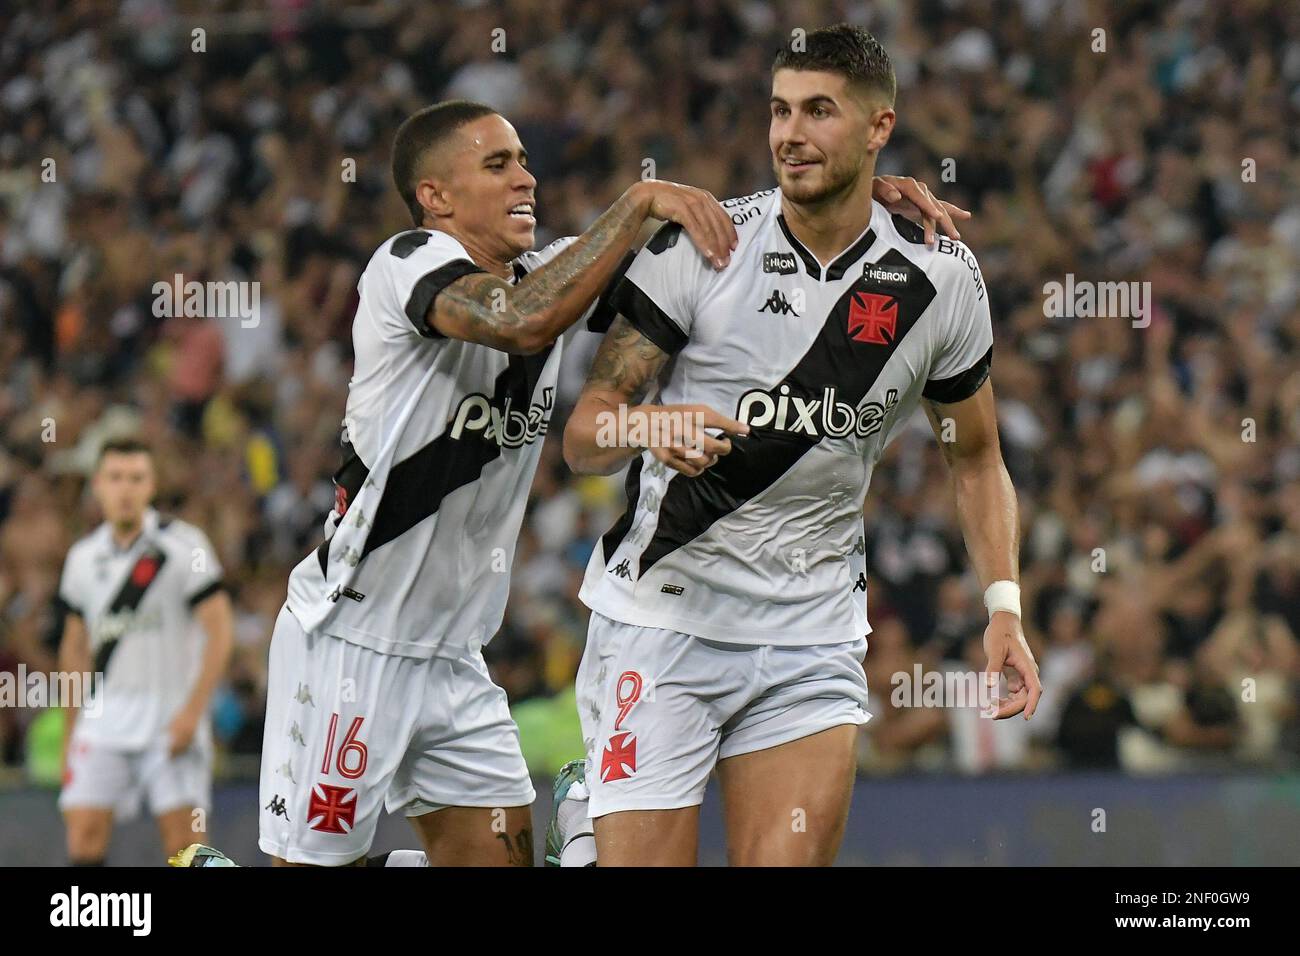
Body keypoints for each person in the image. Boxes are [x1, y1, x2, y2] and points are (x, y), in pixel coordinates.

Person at [179, 98, 967, 868]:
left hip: (455, 656)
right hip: (351, 643)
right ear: (436, 197)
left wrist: (855, 204)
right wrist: (636, 202)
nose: (526, 178)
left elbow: (713, 253)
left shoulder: (551, 272)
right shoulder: (406, 263)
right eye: (498, 164)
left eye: (524, 160)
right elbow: (520, 319)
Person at [557, 24, 1041, 866]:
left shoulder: (940, 281)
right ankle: (583, 837)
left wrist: (1004, 607)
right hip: (662, 622)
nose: (790, 133)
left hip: (810, 635)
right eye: (780, 110)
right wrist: (646, 425)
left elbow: (975, 456)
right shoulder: (703, 247)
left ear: (878, 127)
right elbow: (584, 435)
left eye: (819, 111)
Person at [57, 437, 234, 863]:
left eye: (137, 478)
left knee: (185, 846)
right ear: (97, 485)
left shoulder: (185, 547)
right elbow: (75, 647)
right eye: (116, 478)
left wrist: (193, 712)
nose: (126, 489)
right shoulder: (82, 558)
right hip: (103, 719)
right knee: (83, 838)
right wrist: (70, 729)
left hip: (170, 717)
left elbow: (221, 629)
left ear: (152, 485)